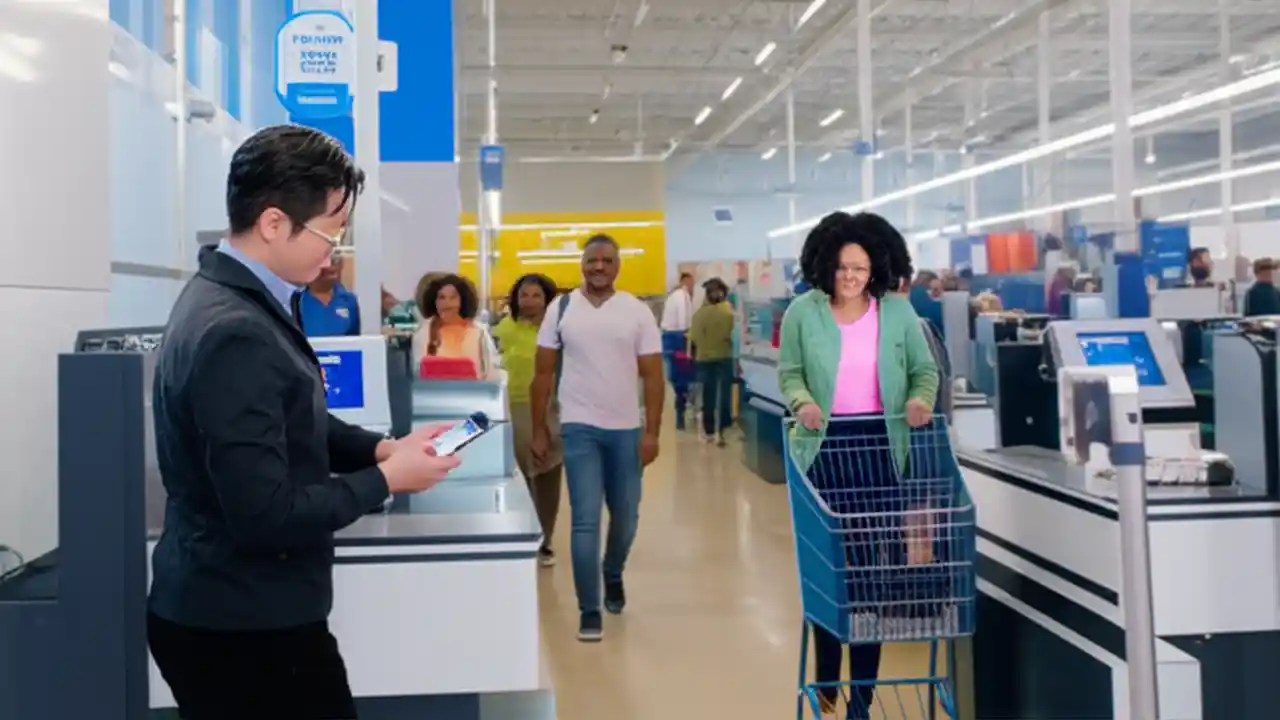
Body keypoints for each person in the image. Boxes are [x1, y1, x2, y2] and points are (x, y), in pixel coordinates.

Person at [148, 125, 461, 719]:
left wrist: (382, 450)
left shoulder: (235, 296)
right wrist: (389, 482)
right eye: (330, 230)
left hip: (233, 614)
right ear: (272, 223)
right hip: (245, 631)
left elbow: (294, 420)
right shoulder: (235, 331)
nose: (334, 250)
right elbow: (266, 515)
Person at [777, 211, 939, 720]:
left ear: (878, 269)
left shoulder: (897, 312)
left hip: (879, 449)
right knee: (829, 575)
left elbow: (924, 371)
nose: (852, 277)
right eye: (844, 267)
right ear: (826, 264)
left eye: (862, 268)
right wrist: (802, 403)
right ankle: (827, 678)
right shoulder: (803, 312)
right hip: (823, 450)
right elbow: (791, 373)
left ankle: (861, 700)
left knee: (871, 583)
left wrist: (920, 401)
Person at [529, 234, 665, 643]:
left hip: (625, 429)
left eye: (607, 260)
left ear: (618, 265)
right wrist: (539, 428)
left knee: (626, 517)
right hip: (579, 426)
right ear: (582, 264)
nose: (599, 267)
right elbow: (542, 374)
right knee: (585, 519)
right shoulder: (562, 308)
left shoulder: (636, 312)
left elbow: (653, 377)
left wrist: (653, 432)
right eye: (592, 260)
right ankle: (589, 609)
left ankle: (613, 572)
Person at [492, 274, 564, 567]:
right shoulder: (502, 330)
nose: (529, 301)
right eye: (524, 295)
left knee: (549, 474)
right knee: (522, 474)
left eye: (536, 295)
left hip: (552, 406)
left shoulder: (557, 332)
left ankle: (544, 538)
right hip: (512, 406)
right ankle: (520, 533)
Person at [411, 273, 498, 379]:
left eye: (453, 297)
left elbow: (491, 372)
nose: (447, 303)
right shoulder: (423, 333)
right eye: (442, 297)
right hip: (434, 393)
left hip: (474, 393)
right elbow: (418, 373)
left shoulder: (478, 332)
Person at [689, 277, 736, 446]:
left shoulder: (699, 315)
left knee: (708, 396)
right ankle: (722, 432)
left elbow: (693, 338)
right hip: (724, 358)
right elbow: (734, 336)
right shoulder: (729, 312)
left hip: (704, 359)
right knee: (724, 396)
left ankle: (709, 432)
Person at [660, 272, 696, 429]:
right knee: (683, 377)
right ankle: (681, 411)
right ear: (686, 281)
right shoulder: (683, 296)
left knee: (675, 375)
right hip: (678, 338)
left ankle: (680, 406)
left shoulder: (673, 295)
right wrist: (687, 338)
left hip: (668, 339)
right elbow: (684, 320)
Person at [297, 251, 361, 336]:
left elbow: (354, 340)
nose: (332, 266)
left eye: (335, 261)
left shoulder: (349, 300)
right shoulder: (297, 301)